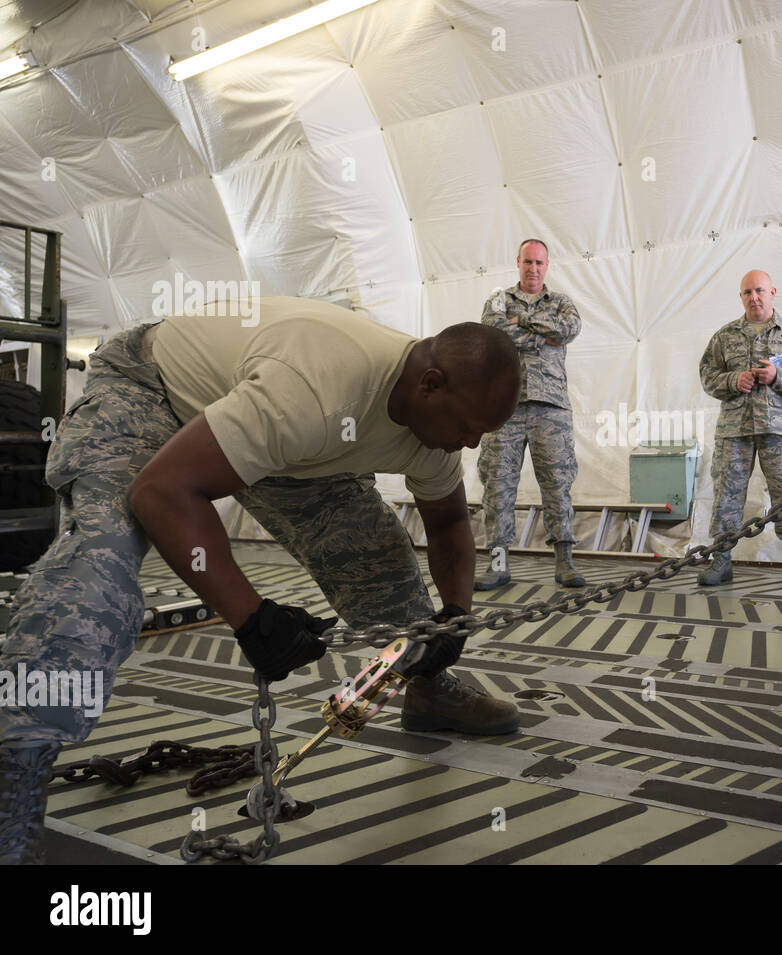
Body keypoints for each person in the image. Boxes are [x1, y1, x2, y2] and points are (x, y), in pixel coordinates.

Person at [0, 296, 522, 864]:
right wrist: (251, 618)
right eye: (470, 430)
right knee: (98, 568)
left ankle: (427, 687)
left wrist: (453, 616)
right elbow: (162, 492)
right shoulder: (315, 388)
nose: (470, 445)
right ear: (430, 384)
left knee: (384, 573)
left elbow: (447, 521)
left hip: (293, 446)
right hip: (155, 392)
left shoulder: (433, 428)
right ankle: (16, 767)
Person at [698, 270, 782, 588]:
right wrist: (731, 380)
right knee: (726, 495)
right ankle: (722, 558)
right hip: (734, 429)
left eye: (759, 291)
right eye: (747, 292)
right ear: (741, 296)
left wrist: (778, 377)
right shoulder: (725, 336)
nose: (754, 297)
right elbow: (707, 374)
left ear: (772, 292)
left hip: (780, 429)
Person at [474, 239, 585, 590]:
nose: (533, 269)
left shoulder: (562, 303)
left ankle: (564, 562)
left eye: (539, 263)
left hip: (551, 409)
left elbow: (568, 330)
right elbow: (492, 331)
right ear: (517, 262)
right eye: (527, 262)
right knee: (498, 486)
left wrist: (520, 321)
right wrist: (541, 334)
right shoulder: (498, 300)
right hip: (503, 408)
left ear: (547, 265)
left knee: (557, 485)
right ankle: (498, 564)